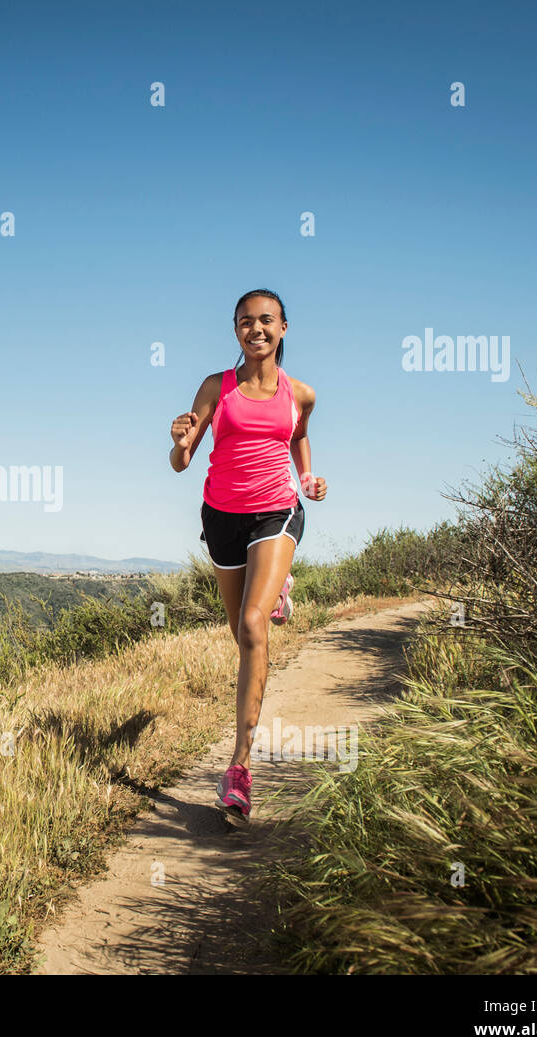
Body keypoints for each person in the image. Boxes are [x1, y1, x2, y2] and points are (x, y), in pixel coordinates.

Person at [168, 288, 327, 827]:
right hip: (221, 517)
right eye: (245, 322)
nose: (255, 329)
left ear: (283, 328)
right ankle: (274, 586)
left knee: (255, 627)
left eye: (266, 321)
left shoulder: (300, 393)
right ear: (235, 330)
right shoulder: (218, 386)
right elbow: (180, 463)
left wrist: (306, 476)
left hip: (276, 511)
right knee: (241, 635)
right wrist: (178, 440)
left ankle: (239, 768)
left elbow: (298, 436)